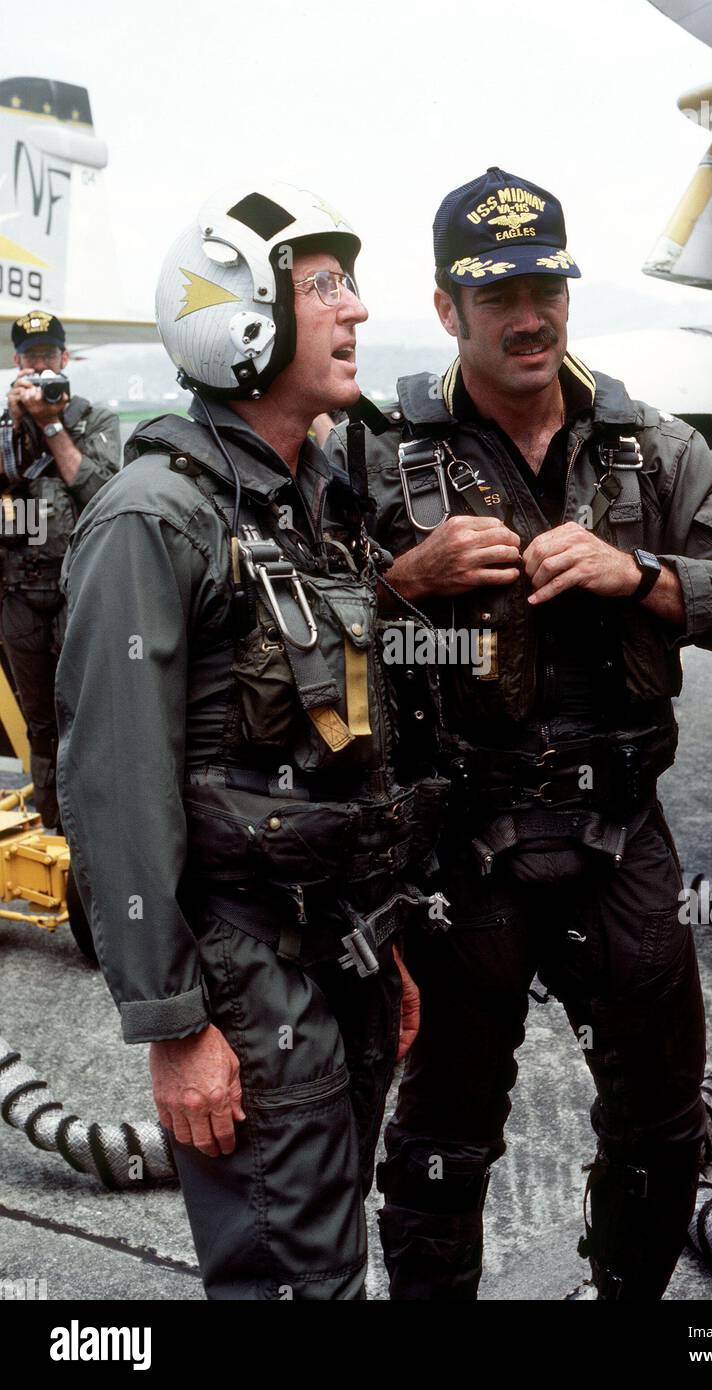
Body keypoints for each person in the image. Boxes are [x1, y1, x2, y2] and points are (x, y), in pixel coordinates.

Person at [325, 166, 712, 1300]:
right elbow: (295, 643)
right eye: (497, 296)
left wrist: (641, 573)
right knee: (439, 1145)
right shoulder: (376, 456)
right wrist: (403, 580)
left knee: (659, 1125)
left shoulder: (651, 449)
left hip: (619, 839)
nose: (528, 316)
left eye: (545, 286)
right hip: (462, 854)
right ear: (448, 308)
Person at [55, 181, 447, 1300]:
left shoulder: (304, 502)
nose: (357, 310)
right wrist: (173, 1026)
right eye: (325, 286)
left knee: (328, 1251)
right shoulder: (153, 514)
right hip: (243, 972)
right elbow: (114, 783)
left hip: (343, 955)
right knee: (289, 1276)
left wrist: (388, 941)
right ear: (245, 319)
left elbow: (348, 746)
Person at [0, 312, 119, 827]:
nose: (42, 365)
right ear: (17, 364)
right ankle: (54, 825)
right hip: (20, 595)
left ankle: (93, 822)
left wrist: (51, 424)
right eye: (32, 357)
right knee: (40, 722)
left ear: (66, 359)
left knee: (87, 715)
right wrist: (13, 425)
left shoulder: (95, 419)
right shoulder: (6, 425)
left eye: (50, 355)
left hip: (79, 589)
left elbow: (102, 496)